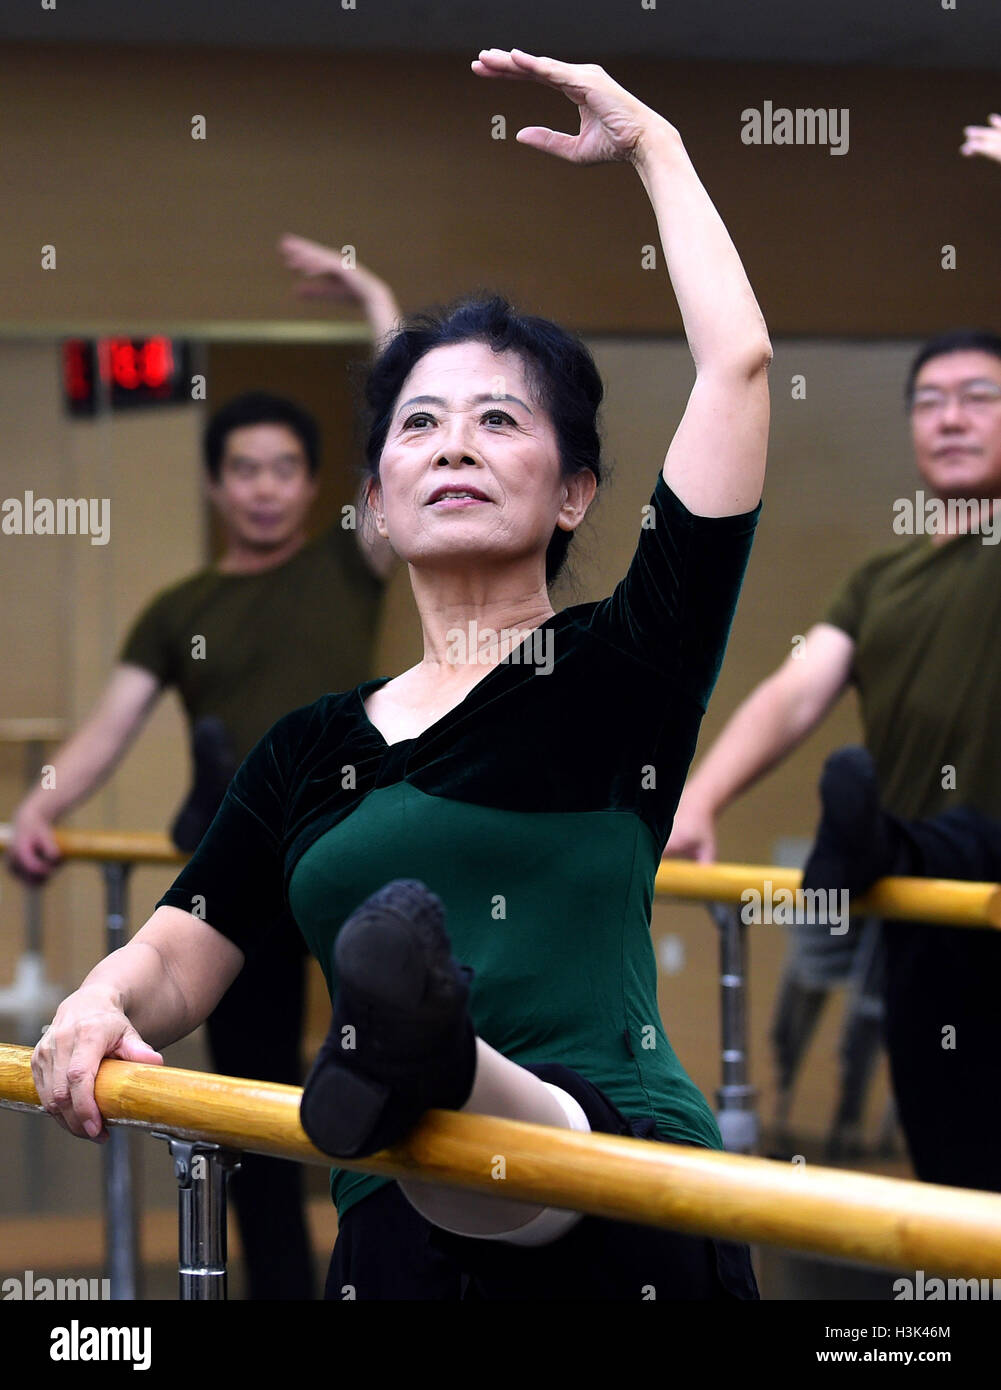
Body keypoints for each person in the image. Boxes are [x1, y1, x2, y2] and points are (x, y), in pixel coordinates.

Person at [31, 48, 771, 1300]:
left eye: (500, 419)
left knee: (522, 1137)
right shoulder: (306, 749)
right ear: (376, 494)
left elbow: (738, 367)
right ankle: (418, 1055)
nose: (453, 447)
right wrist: (97, 1000)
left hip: (622, 1191)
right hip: (395, 1234)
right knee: (422, 1145)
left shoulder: (619, 665)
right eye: (418, 424)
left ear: (574, 490)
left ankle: (437, 1055)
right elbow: (181, 948)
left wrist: (650, 140)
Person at [8, 245, 399, 1299]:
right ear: (215, 482)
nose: (266, 488)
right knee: (263, 1104)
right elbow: (108, 725)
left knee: (401, 1077)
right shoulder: (178, 609)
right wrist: (37, 813)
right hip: (252, 870)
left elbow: (404, 425)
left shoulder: (349, 559)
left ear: (314, 482)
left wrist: (372, 303)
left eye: (285, 468)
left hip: (364, 851)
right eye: (245, 469)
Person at [665, 320, 1001, 1192]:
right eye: (928, 403)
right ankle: (877, 847)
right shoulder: (881, 580)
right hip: (927, 917)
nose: (949, 419)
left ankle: (876, 845)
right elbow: (795, 693)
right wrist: (698, 801)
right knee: (954, 1178)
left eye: (977, 399)